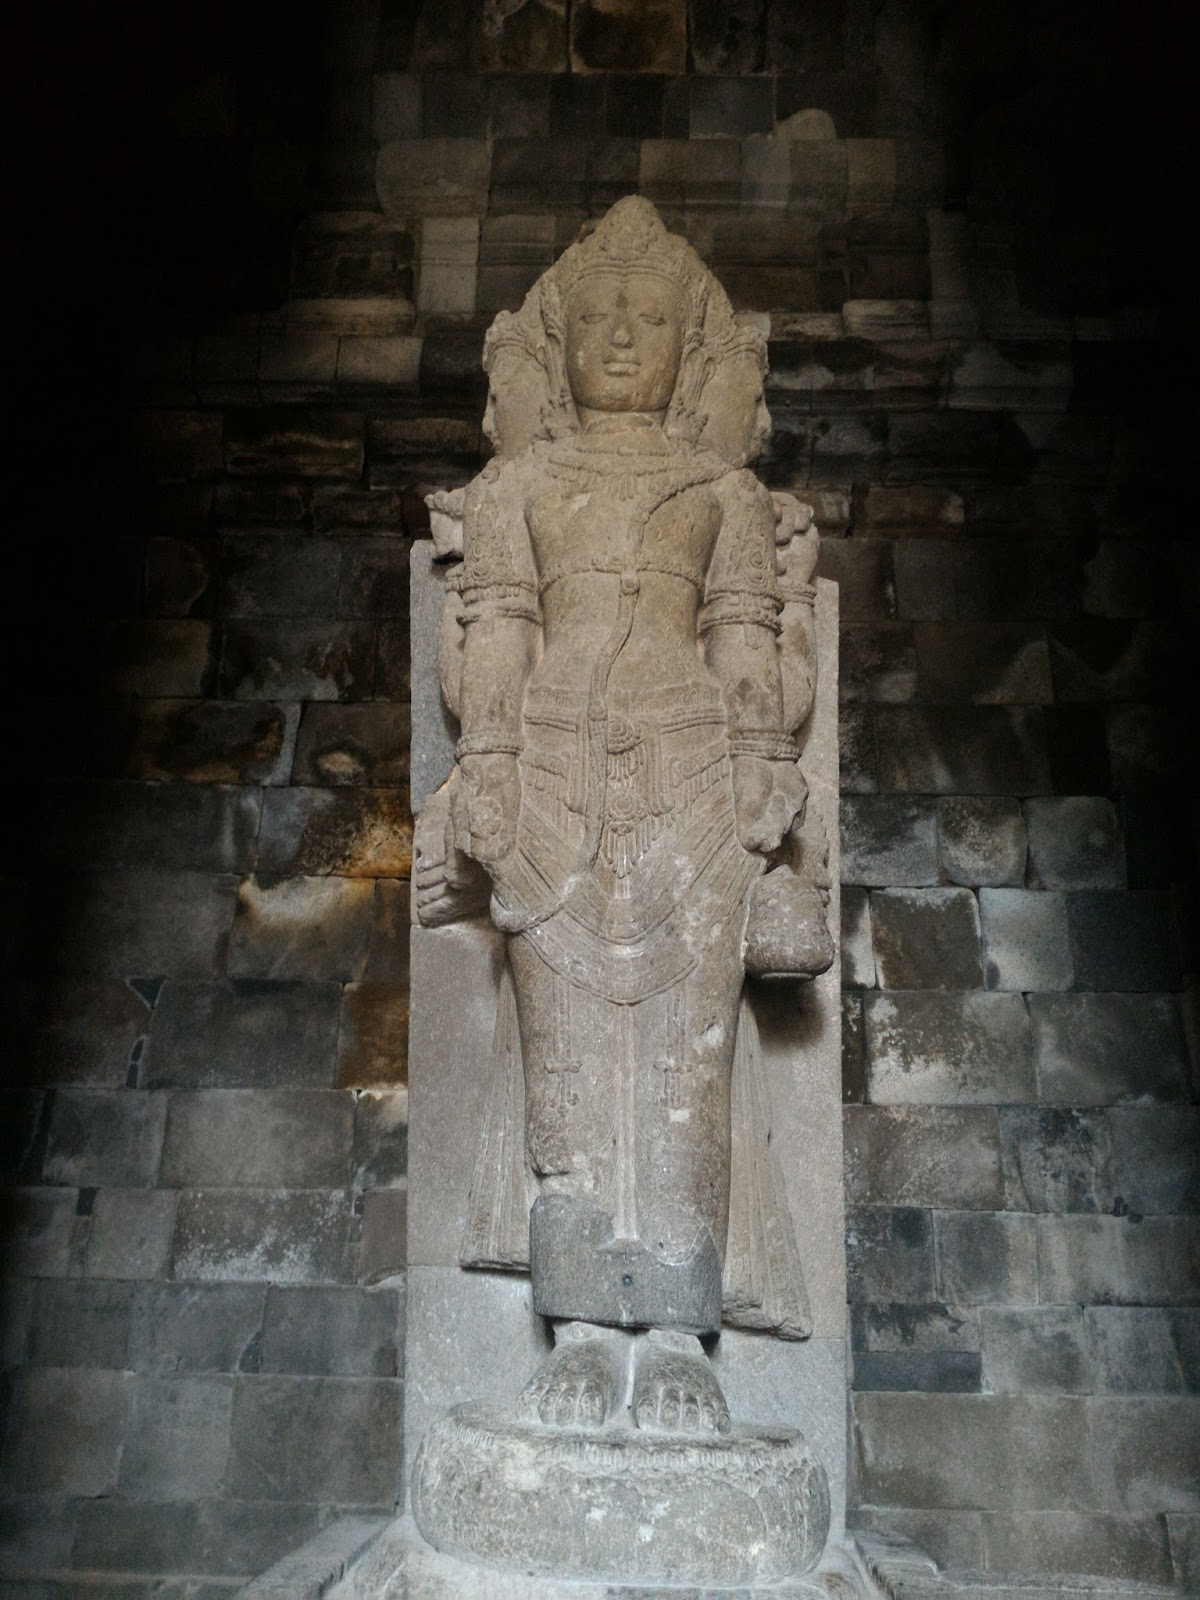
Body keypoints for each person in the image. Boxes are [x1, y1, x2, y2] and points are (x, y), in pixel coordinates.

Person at [415, 196, 826, 1436]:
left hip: (695, 777)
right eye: (600, 316)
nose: (624, 337)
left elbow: (744, 633)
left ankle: (684, 1338)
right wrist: (485, 758)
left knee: (686, 1058)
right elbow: (499, 629)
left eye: (653, 318)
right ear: (560, 335)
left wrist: (761, 759)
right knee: (571, 1059)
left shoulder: (721, 489)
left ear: (690, 346)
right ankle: (584, 1324)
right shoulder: (521, 485)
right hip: (549, 778)